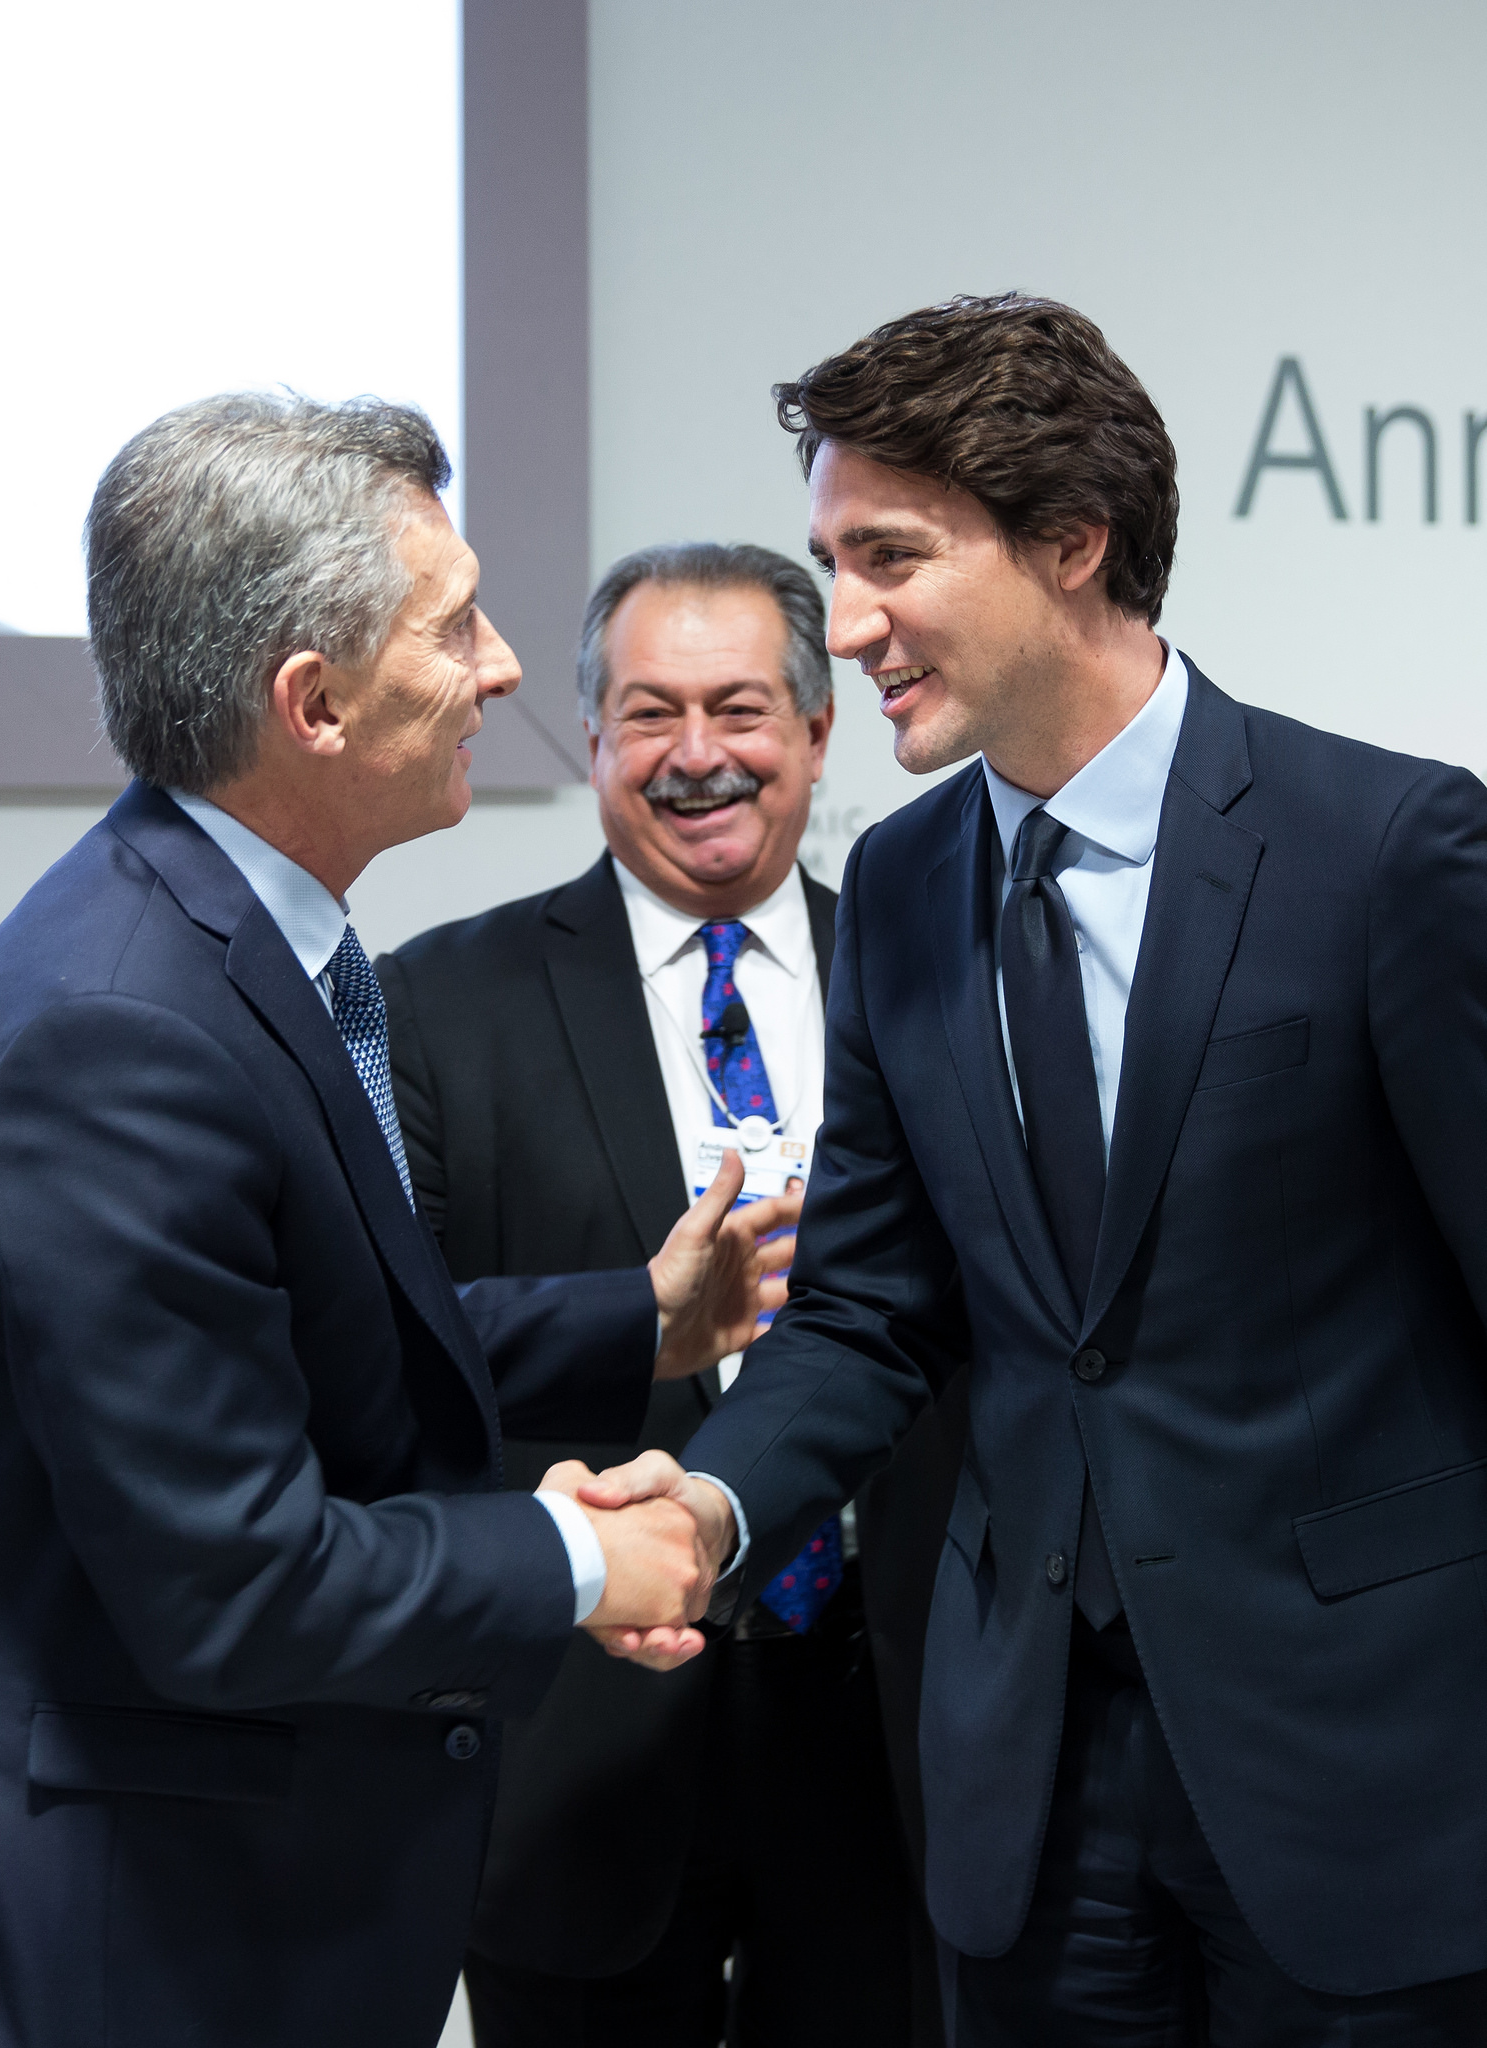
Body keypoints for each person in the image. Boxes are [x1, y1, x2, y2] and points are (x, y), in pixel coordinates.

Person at [580, 296, 1487, 2046]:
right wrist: (708, 1504)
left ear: (1070, 543)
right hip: (1028, 1791)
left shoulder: (1387, 848)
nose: (843, 625)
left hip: (1363, 1781)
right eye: (832, 562)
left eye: (888, 559)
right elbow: (867, 1310)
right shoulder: (908, 884)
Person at [0, 395, 787, 2048]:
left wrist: (638, 1321)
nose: (502, 668)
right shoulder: (119, 1031)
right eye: (455, 626)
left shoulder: (224, 941)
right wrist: (580, 1554)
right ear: (315, 703)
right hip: (104, 1931)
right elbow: (229, 1579)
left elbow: (293, 1333)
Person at [375, 542, 964, 2047]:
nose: (696, 754)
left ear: (819, 731)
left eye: (740, 709)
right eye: (649, 714)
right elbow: (394, 1371)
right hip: (575, 1740)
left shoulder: (939, 976)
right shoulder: (435, 1006)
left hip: (895, 1728)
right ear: (587, 736)